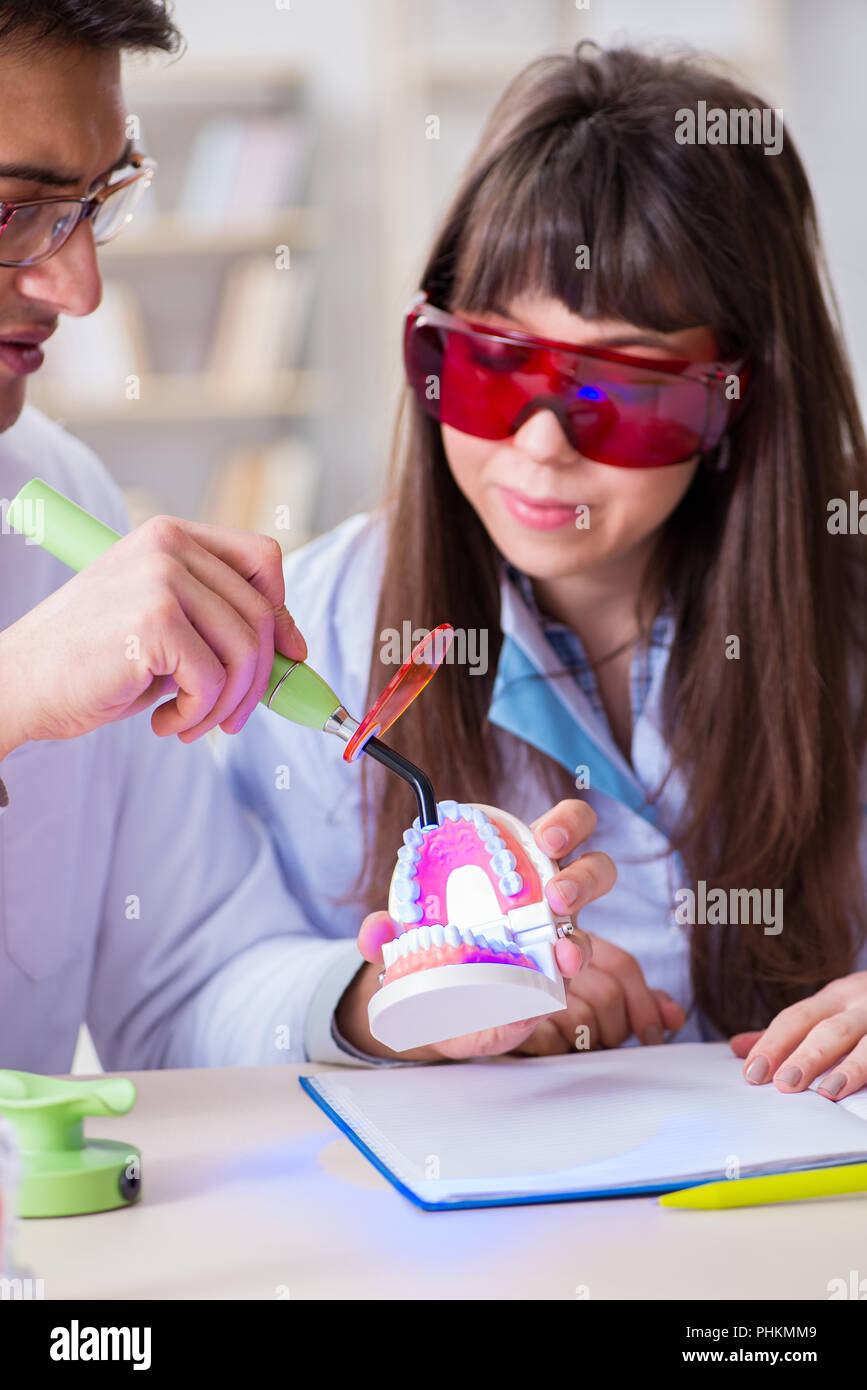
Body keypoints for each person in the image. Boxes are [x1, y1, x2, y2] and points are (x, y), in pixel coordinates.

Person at [227, 42, 867, 1096]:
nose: (537, 446)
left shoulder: (839, 599)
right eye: (487, 367)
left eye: (619, 392)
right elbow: (191, 987)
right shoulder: (329, 620)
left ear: (736, 400)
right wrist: (389, 1006)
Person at [0, 2, 608, 1072]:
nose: (81, 287)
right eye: (11, 211)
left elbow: (183, 981)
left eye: (97, 201)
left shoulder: (59, 500)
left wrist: (391, 1002)